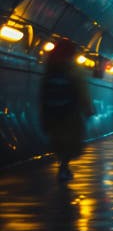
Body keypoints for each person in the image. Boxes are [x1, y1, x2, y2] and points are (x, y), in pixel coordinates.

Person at [40, 39, 94, 180]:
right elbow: (82, 90)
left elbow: (43, 92)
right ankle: (64, 167)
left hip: (52, 112)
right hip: (70, 113)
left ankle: (63, 167)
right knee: (71, 142)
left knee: (59, 141)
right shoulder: (74, 69)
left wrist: (43, 113)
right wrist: (88, 108)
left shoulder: (49, 68)